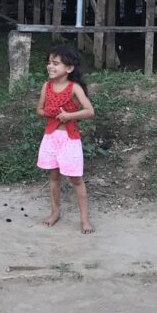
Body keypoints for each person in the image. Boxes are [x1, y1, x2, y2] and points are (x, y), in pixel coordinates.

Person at [36, 44, 96, 234]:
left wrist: (69, 116)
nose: (50, 66)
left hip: (69, 140)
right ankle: (55, 213)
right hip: (51, 138)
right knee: (54, 177)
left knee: (76, 180)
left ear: (69, 68)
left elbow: (89, 111)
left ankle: (85, 219)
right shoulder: (47, 86)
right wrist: (50, 112)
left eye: (55, 63)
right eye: (49, 63)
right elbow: (39, 109)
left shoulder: (74, 88)